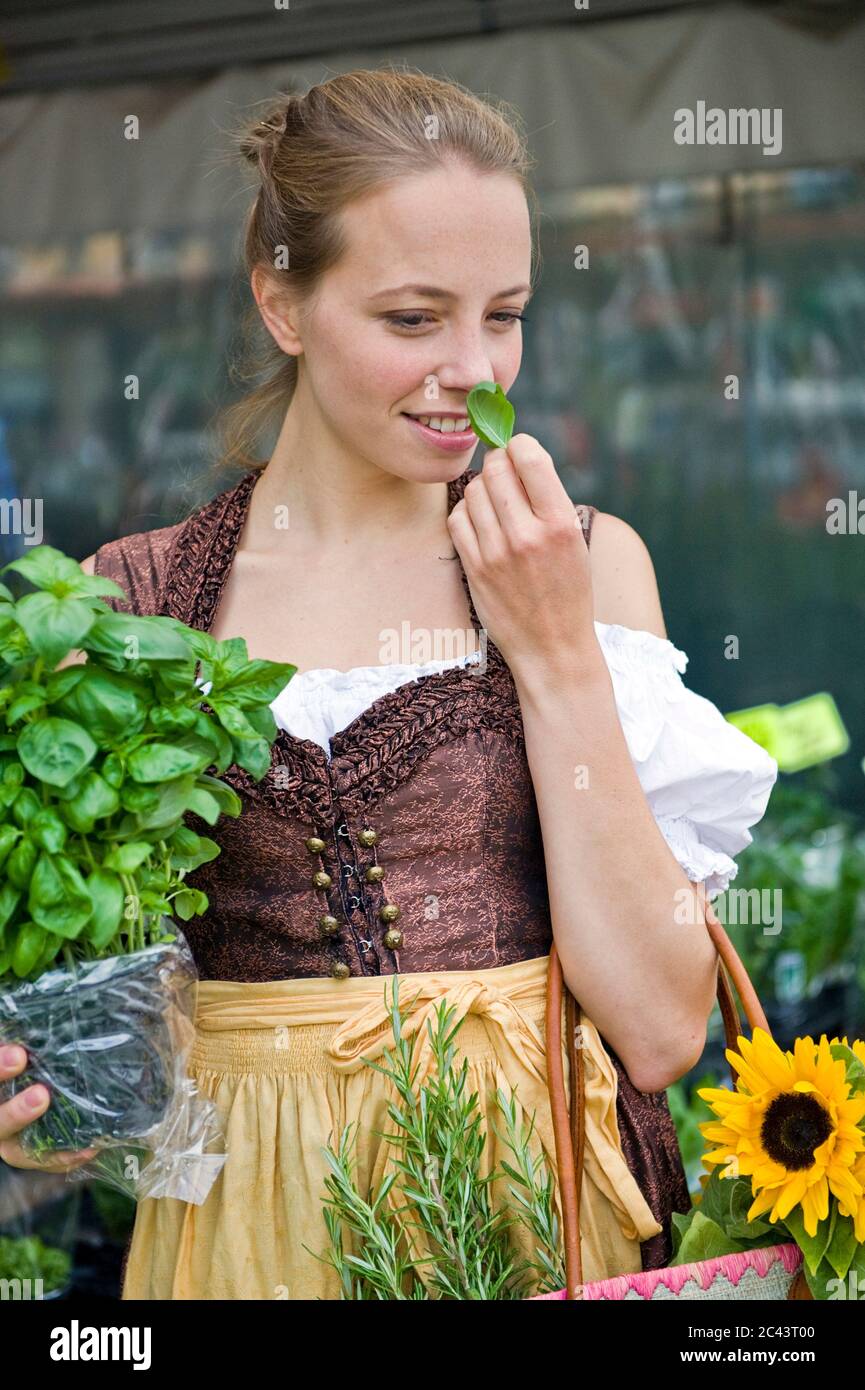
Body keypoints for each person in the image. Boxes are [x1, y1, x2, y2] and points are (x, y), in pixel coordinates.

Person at [0, 67, 777, 1300]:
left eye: (506, 314)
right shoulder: (129, 608)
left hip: (532, 1218)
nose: (471, 369)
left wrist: (557, 651)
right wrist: (35, 1093)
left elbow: (660, 1027)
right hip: (240, 1235)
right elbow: (76, 1038)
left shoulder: (585, 561)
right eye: (413, 319)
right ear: (282, 301)